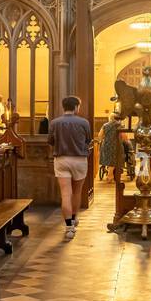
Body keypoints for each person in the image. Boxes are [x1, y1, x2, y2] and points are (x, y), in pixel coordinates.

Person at [49, 95, 92, 240]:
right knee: (77, 192)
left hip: (61, 159)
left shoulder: (55, 123)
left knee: (65, 194)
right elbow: (88, 140)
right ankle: (74, 218)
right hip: (79, 159)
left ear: (64, 107)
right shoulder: (84, 122)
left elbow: (50, 141)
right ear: (76, 107)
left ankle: (69, 227)